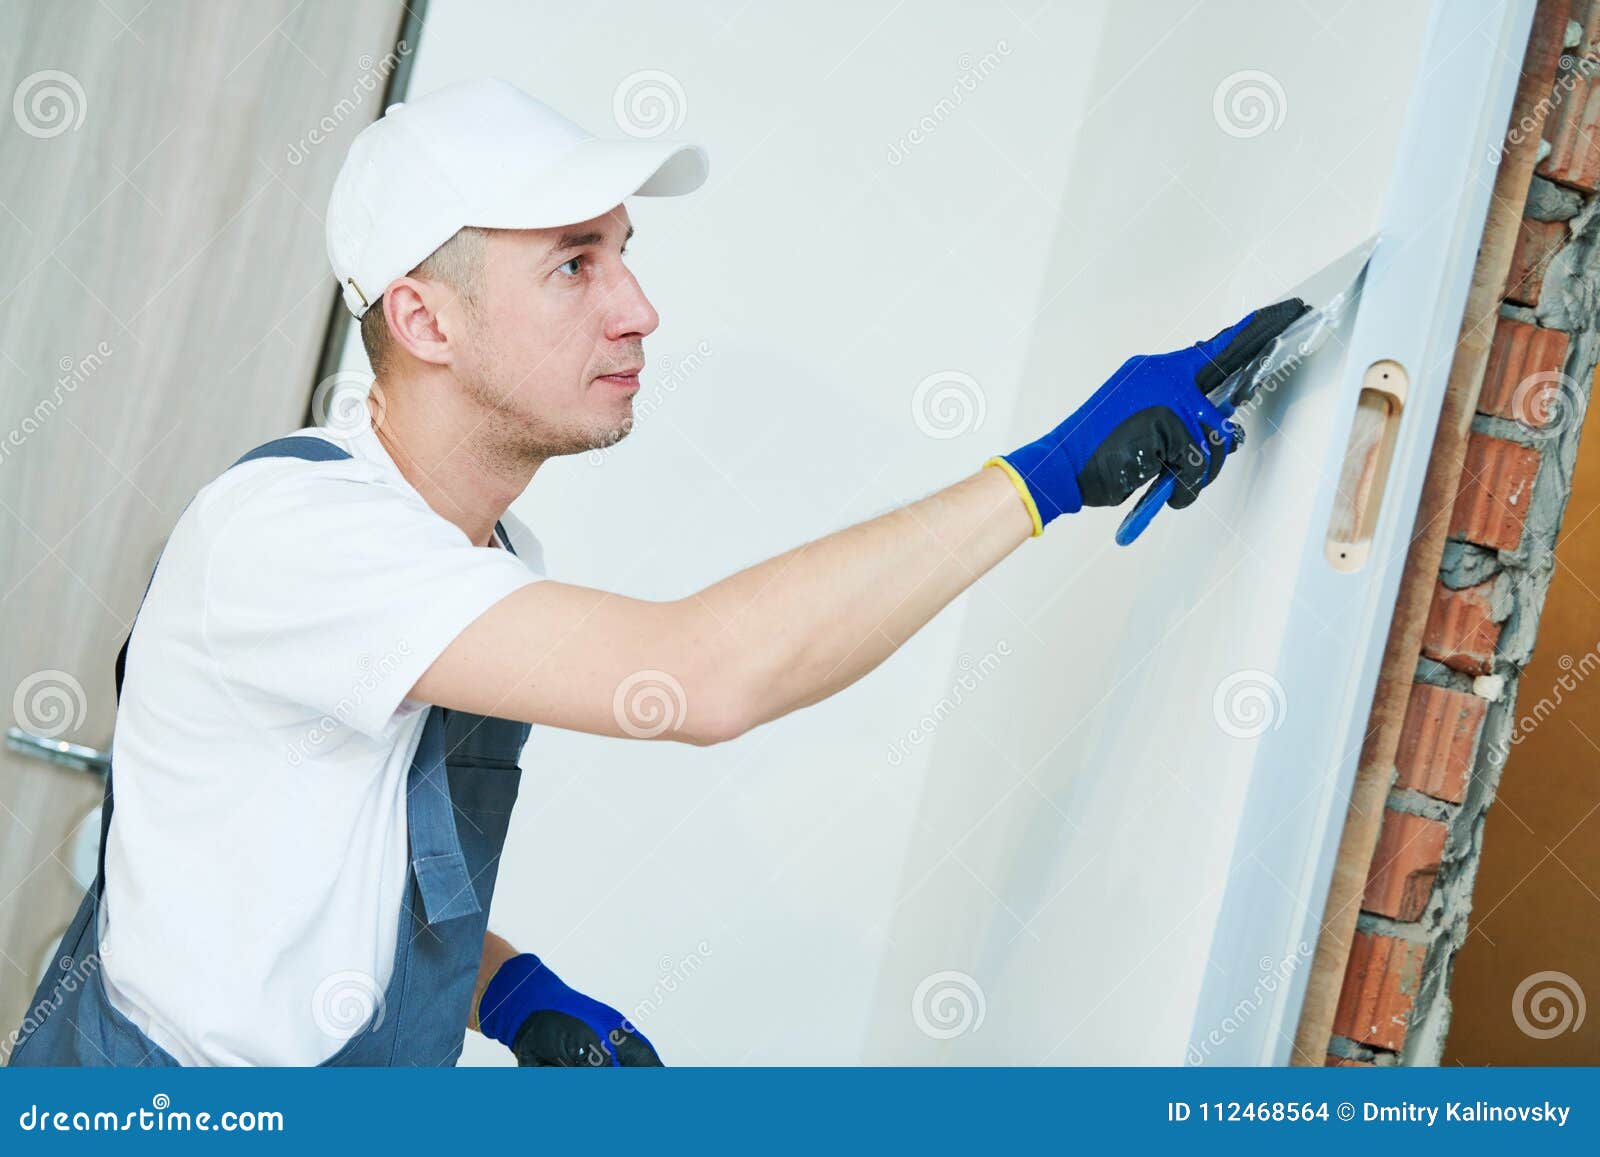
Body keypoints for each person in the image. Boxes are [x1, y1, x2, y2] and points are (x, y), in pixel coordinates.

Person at [7, 77, 1303, 1068]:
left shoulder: (491, 560)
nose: (637, 307)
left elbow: (327, 859)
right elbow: (700, 680)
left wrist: (512, 992)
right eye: (575, 262)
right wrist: (1046, 474)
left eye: (624, 252)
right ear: (423, 318)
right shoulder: (292, 539)